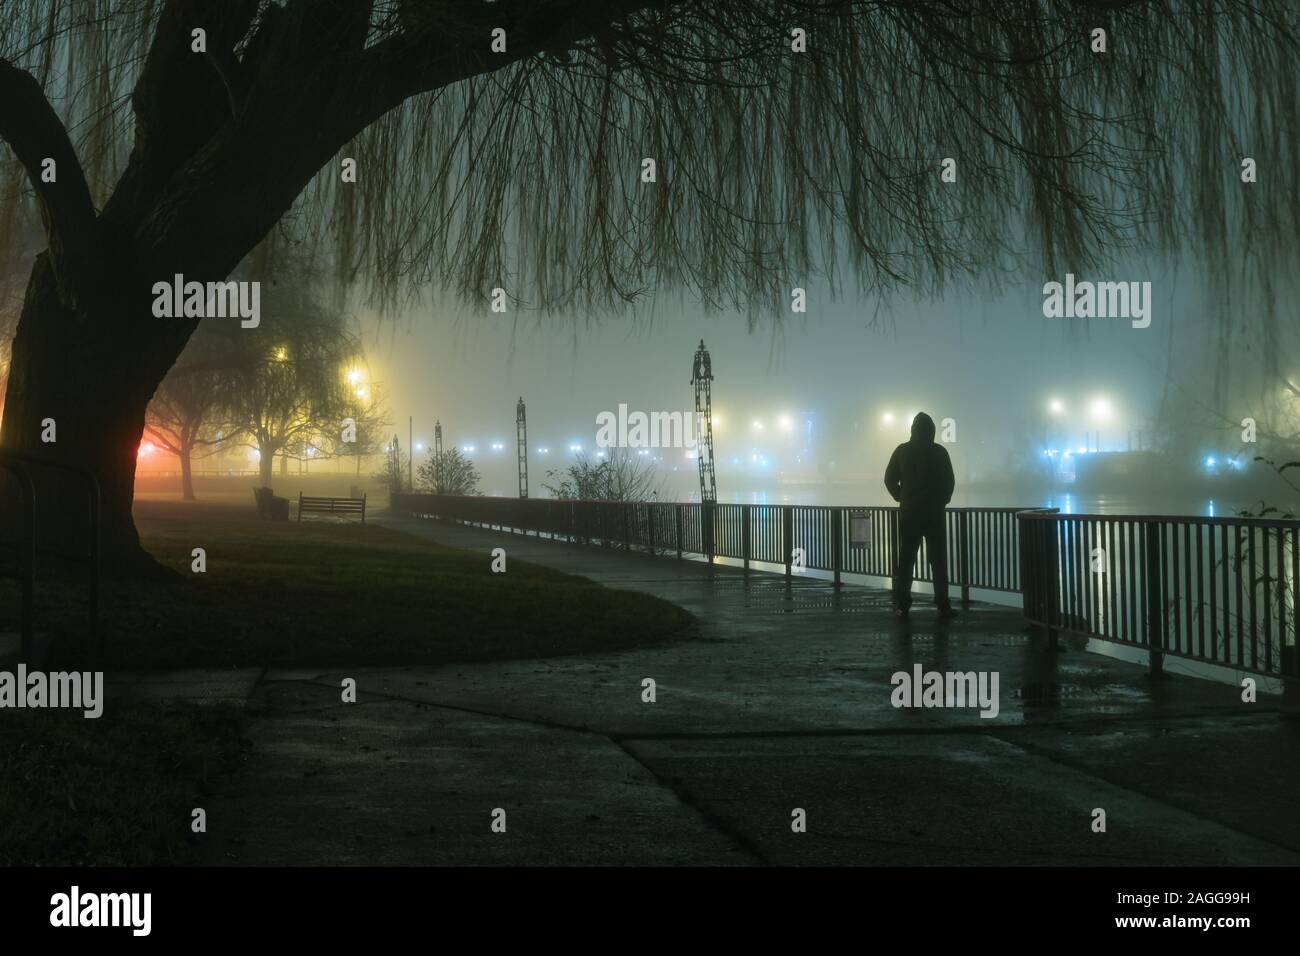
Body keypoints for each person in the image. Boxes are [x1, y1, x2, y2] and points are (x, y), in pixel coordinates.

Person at [883, 412, 957, 620]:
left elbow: (889, 479)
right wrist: (942, 500)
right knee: (939, 562)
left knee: (906, 561)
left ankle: (903, 603)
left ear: (912, 430)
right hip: (934, 515)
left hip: (909, 514)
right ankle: (943, 604)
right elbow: (949, 481)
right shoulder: (940, 452)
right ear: (932, 431)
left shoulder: (902, 451)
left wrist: (901, 496)